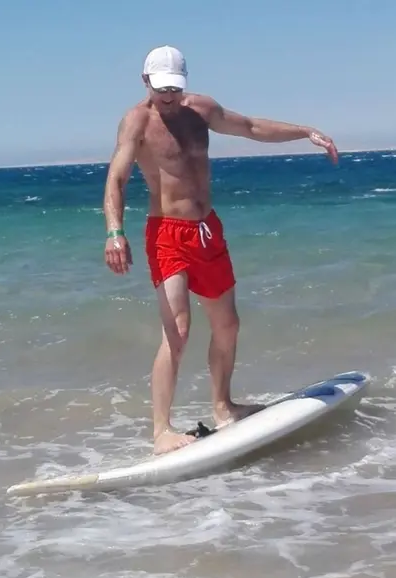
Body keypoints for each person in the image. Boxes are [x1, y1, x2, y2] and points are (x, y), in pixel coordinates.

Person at [103, 45, 338, 455]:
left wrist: (305, 132)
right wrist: (114, 232)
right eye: (161, 89)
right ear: (145, 82)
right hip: (167, 233)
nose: (169, 96)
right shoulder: (136, 121)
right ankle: (161, 431)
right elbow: (117, 179)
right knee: (178, 330)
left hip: (207, 231)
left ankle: (224, 407)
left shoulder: (201, 110)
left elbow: (250, 126)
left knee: (228, 324)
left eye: (175, 88)